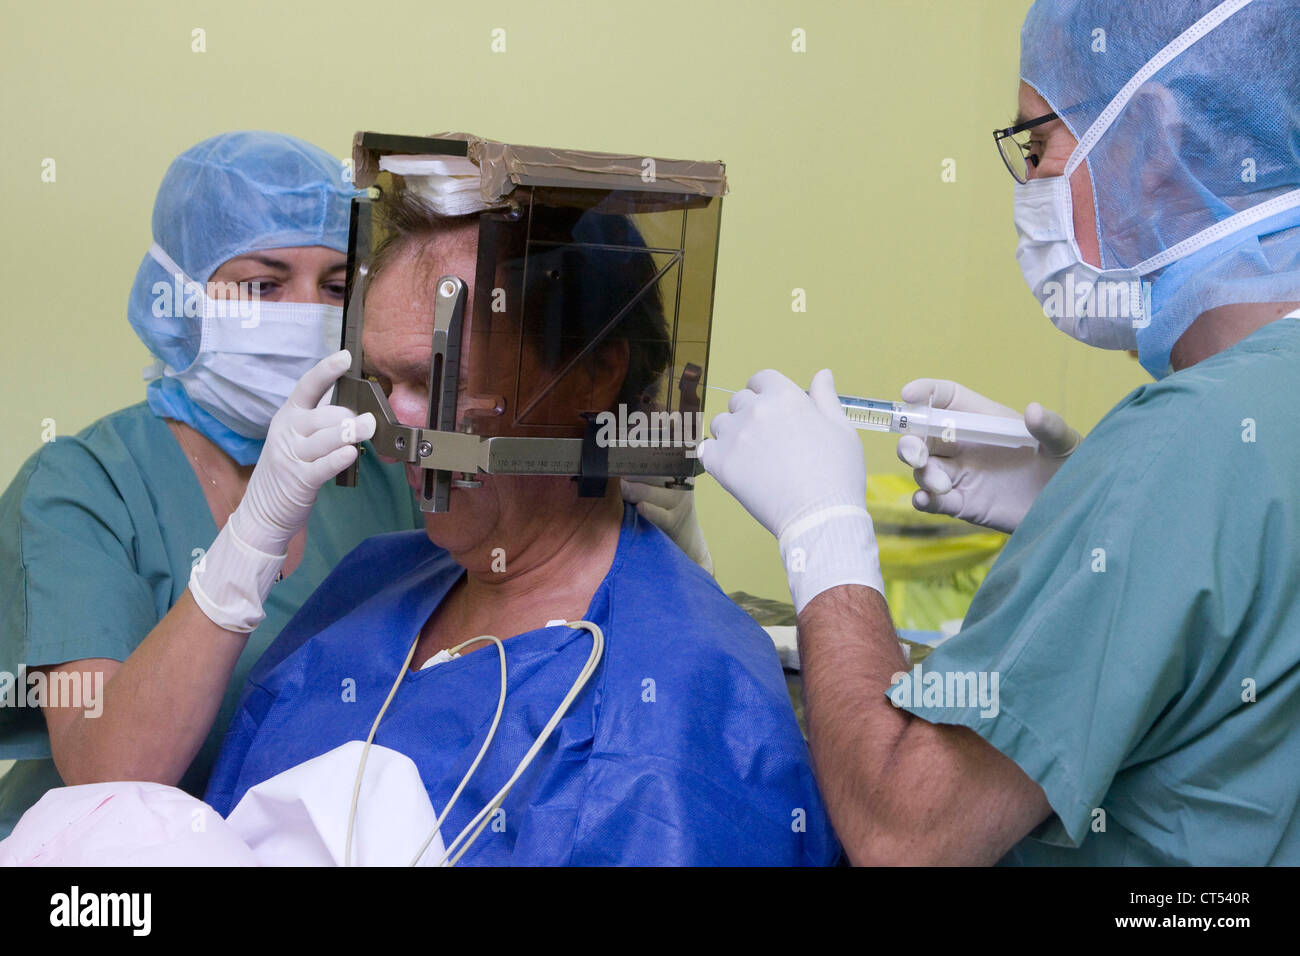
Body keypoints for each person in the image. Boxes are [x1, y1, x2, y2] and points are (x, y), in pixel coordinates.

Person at [698, 0, 1300, 865]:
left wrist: (821, 534)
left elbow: (906, 832)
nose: (1030, 185)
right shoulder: (1243, 424)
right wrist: (1082, 506)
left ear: (1154, 139)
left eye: (1038, 146)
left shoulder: (1180, 448)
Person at [203, 183, 838, 866]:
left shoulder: (681, 700)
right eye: (384, 385)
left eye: (435, 380)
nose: (392, 426)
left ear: (594, 374)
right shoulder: (373, 580)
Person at [0, 132, 422, 837]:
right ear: (178, 295)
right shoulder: (82, 485)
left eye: (337, 288)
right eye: (264, 284)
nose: (304, 312)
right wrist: (252, 539)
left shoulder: (388, 470)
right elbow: (111, 775)